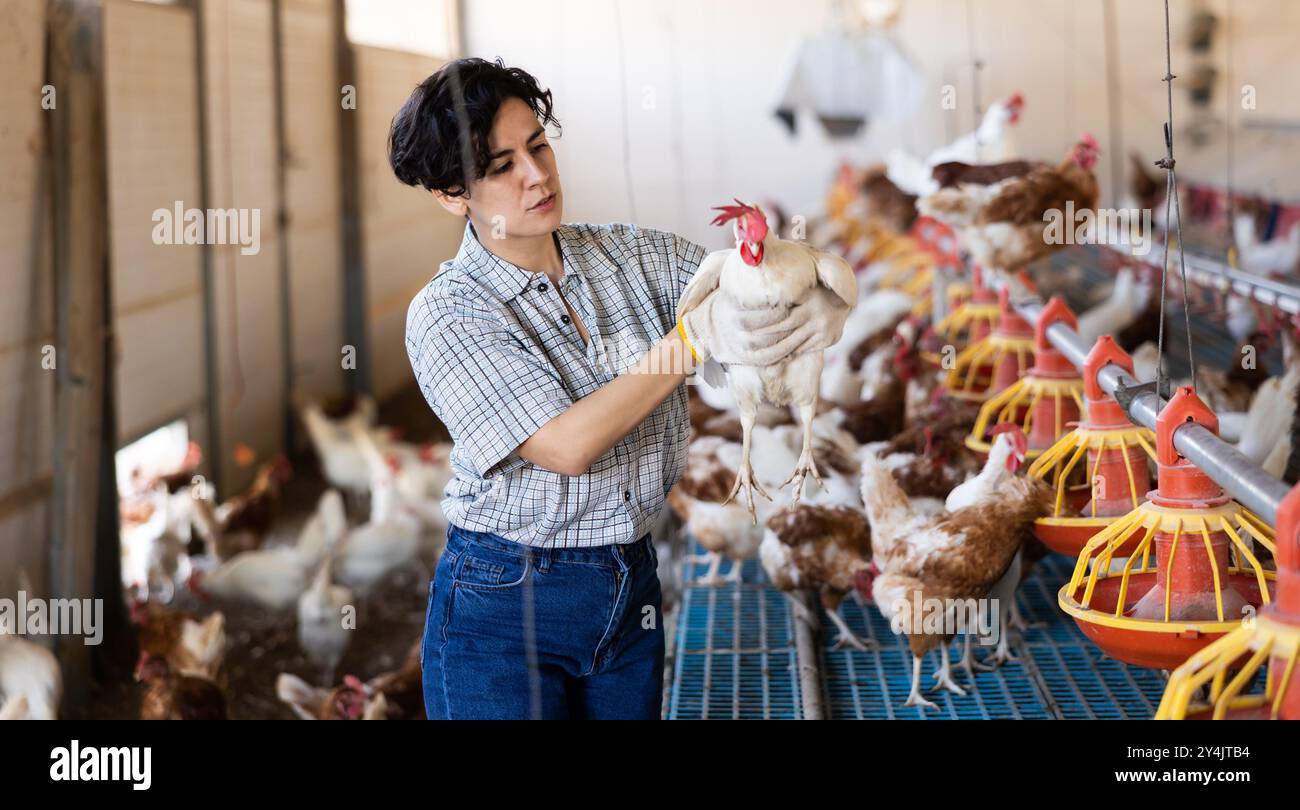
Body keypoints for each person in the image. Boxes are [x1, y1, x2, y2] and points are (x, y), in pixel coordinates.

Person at [392, 57, 836, 719]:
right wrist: (692, 339)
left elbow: (745, 292)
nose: (537, 175)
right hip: (506, 604)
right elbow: (567, 445)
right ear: (452, 193)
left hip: (630, 582)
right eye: (501, 166)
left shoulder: (632, 256)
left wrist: (778, 270)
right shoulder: (450, 313)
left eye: (538, 146)